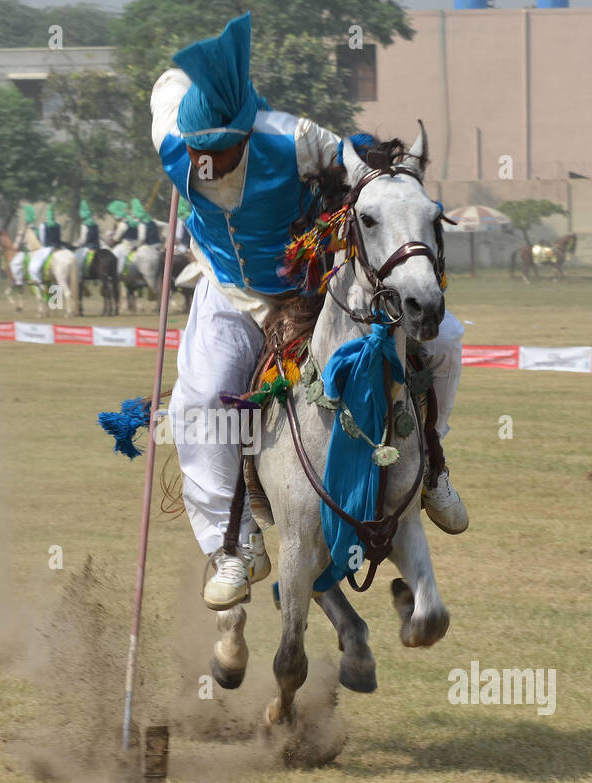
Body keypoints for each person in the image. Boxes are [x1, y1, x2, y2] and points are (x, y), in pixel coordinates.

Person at [152, 13, 468, 610]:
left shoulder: (294, 137)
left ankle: (431, 469)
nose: (206, 164)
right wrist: (177, 73)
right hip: (228, 288)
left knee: (446, 338)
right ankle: (235, 546)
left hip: (308, 285)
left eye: (220, 151)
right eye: (199, 152)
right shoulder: (174, 135)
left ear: (245, 132)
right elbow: (165, 90)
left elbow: (360, 171)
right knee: (198, 403)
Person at [29, 204, 60, 283]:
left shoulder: (43, 225)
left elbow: (42, 238)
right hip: (58, 247)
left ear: (47, 216)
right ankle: (56, 295)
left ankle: (38, 282)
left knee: (33, 267)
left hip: (47, 248)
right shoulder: (58, 225)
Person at [8, 205, 35, 285]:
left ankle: (19, 281)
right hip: (40, 251)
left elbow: (17, 244)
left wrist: (15, 247)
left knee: (14, 264)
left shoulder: (23, 230)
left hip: (28, 252)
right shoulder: (36, 229)